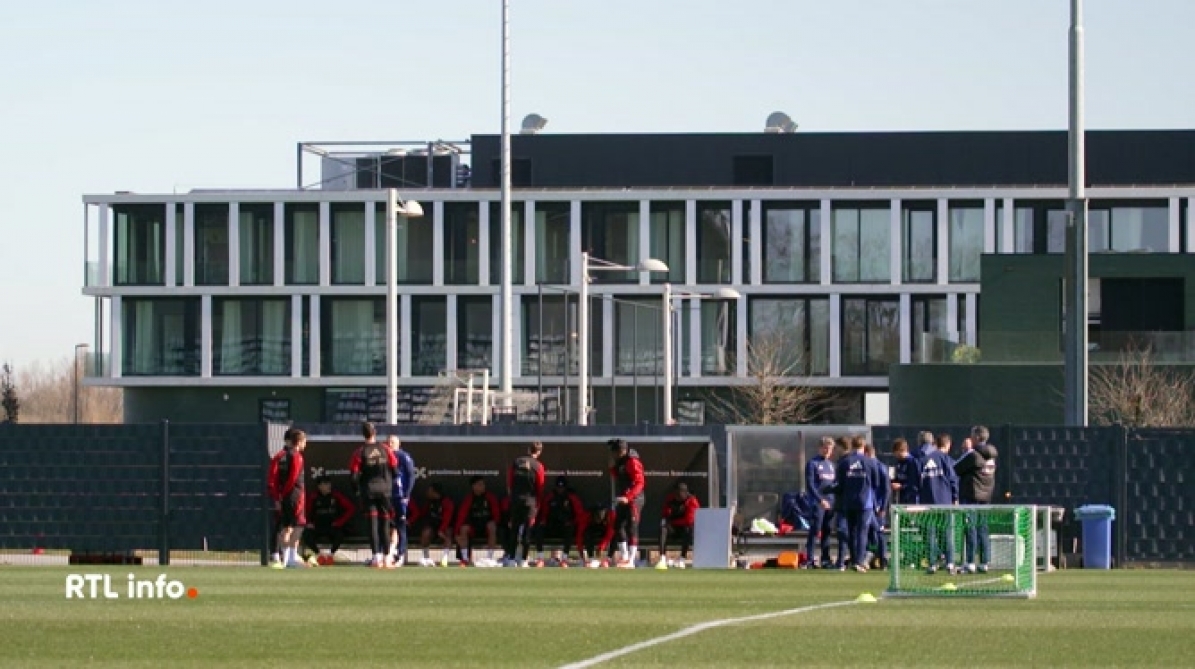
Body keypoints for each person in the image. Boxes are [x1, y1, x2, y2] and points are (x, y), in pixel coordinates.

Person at [348, 422, 398, 569]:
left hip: (368, 491)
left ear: (363, 434)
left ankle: (376, 558)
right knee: (385, 524)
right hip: (385, 492)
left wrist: (357, 490)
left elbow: (354, 475)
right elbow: (395, 469)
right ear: (375, 432)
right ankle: (387, 558)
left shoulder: (359, 452)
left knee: (373, 525)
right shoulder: (386, 449)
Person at [833, 435, 881, 572]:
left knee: (852, 531)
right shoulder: (870, 462)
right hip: (865, 502)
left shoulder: (844, 463)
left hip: (849, 502)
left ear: (852, 446)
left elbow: (839, 484)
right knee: (862, 532)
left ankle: (854, 559)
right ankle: (859, 561)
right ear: (863, 446)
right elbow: (876, 482)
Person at [956, 425, 999, 573]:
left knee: (971, 528)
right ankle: (985, 561)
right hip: (986, 496)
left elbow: (956, 468)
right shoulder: (992, 456)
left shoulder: (973, 455)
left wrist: (966, 451)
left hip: (971, 495)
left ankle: (970, 562)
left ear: (976, 437)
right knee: (983, 528)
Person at [920, 434, 960, 575]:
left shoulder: (923, 460)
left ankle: (932, 563)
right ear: (948, 445)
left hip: (927, 502)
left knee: (930, 533)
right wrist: (955, 498)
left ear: (936, 443)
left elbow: (918, 483)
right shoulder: (947, 460)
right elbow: (953, 479)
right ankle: (949, 563)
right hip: (944, 502)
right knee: (947, 532)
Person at [268, 428, 308, 569]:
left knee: (286, 526)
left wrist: (277, 496)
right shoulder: (296, 456)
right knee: (296, 525)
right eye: (305, 441)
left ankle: (284, 557)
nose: (306, 444)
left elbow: (272, 479)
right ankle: (290, 557)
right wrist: (284, 493)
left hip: (284, 496)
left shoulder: (279, 456)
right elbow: (293, 477)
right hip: (294, 495)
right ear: (299, 442)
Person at [505, 442, 546, 566]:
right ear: (539, 452)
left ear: (528, 449)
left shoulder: (516, 462)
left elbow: (510, 482)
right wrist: (537, 504)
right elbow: (540, 486)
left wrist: (513, 496)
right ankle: (523, 560)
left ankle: (511, 559)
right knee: (527, 531)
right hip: (530, 502)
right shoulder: (538, 466)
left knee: (514, 530)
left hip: (516, 500)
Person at [608, 438, 645, 568]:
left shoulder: (632, 461)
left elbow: (640, 483)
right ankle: (624, 556)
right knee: (618, 526)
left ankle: (631, 560)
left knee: (632, 527)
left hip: (634, 499)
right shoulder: (620, 461)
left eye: (614, 451)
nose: (612, 454)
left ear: (622, 451)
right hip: (623, 498)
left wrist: (628, 497)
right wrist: (612, 468)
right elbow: (619, 476)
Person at [303, 476, 356, 564]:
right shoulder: (313, 497)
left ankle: (330, 555)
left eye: (328, 484)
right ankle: (319, 555)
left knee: (340, 534)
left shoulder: (336, 496)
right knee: (306, 534)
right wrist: (309, 523)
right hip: (317, 526)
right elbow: (305, 511)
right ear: (319, 486)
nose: (327, 486)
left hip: (332, 526)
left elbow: (351, 508)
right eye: (324, 484)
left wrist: (340, 522)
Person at [804, 436, 838, 569]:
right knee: (815, 530)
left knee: (827, 531)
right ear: (820, 448)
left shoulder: (831, 465)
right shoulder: (812, 463)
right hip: (818, 503)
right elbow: (810, 485)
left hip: (830, 502)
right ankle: (810, 559)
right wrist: (820, 500)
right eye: (826, 448)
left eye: (830, 449)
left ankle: (825, 558)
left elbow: (833, 484)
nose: (828, 451)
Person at [535, 476, 586, 565]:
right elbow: (544, 512)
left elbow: (579, 514)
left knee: (569, 529)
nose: (560, 489)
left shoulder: (571, 497)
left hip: (565, 526)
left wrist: (572, 522)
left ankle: (564, 559)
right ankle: (540, 558)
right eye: (558, 487)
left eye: (562, 487)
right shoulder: (550, 497)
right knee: (539, 528)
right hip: (552, 525)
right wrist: (543, 521)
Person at [455, 476, 501, 566]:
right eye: (480, 484)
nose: (483, 486)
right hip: (473, 527)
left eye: (483, 484)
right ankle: (464, 559)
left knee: (492, 526)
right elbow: (461, 516)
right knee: (463, 528)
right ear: (474, 486)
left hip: (487, 527)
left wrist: (494, 522)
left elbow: (496, 515)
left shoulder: (490, 497)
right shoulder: (469, 499)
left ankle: (489, 558)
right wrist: (456, 533)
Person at [386, 435, 416, 567]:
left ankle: (400, 554)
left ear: (398, 444)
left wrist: (406, 494)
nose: (390, 444)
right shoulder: (384, 456)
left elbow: (411, 475)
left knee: (401, 525)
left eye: (392, 442)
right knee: (389, 526)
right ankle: (388, 553)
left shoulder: (403, 456)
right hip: (387, 496)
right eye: (388, 442)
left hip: (399, 496)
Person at [409, 482, 455, 567]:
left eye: (429, 491)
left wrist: (441, 530)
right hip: (433, 526)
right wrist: (411, 520)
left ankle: (444, 559)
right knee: (426, 533)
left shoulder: (447, 502)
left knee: (448, 533)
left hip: (445, 526)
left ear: (435, 492)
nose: (427, 492)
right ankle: (426, 558)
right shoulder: (430, 502)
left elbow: (447, 519)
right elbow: (422, 512)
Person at [657, 481, 700, 567]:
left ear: (685, 493)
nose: (677, 497)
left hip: (686, 530)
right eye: (676, 494)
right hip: (673, 529)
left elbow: (689, 520)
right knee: (663, 528)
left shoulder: (692, 501)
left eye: (679, 494)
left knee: (688, 530)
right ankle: (662, 558)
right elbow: (665, 514)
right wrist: (666, 518)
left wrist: (672, 522)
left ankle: (682, 559)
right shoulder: (670, 499)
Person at [863, 442, 890, 570]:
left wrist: (883, 506)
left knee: (879, 532)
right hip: (870, 505)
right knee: (871, 532)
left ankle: (882, 560)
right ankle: (873, 558)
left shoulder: (880, 467)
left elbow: (886, 489)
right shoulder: (875, 466)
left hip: (877, 506)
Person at [890, 438, 921, 504]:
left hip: (911, 498)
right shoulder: (899, 462)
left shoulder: (912, 462)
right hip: (902, 497)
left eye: (896, 453)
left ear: (900, 450)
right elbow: (897, 477)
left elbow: (914, 483)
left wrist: (901, 486)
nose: (895, 455)